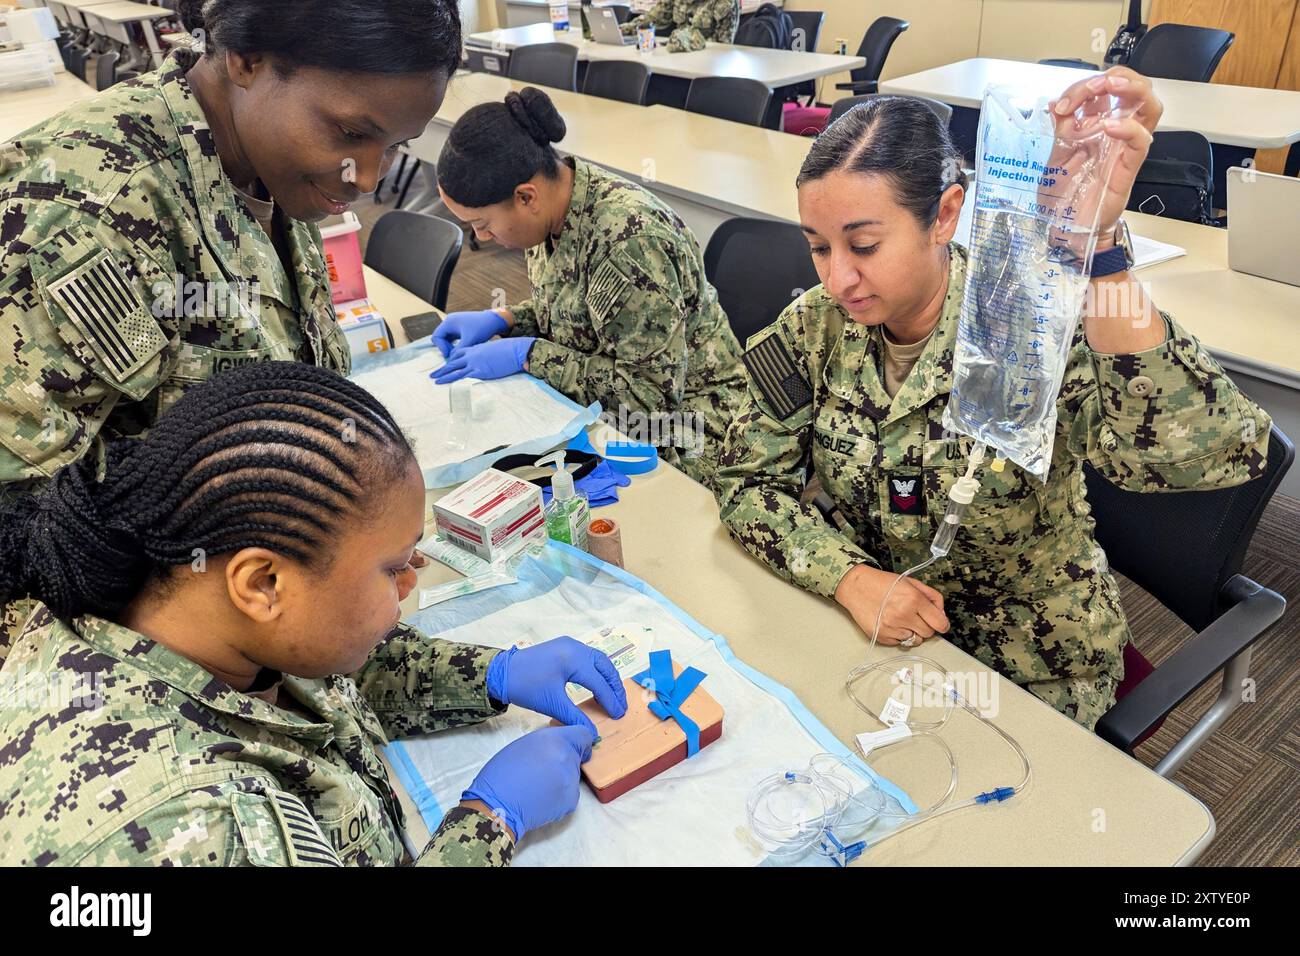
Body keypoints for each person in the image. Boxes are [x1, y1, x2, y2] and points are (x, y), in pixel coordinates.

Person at [716, 71, 1273, 730]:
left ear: (946, 214)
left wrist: (1096, 253)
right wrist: (848, 577)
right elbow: (744, 477)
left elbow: (1216, 457)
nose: (838, 277)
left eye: (864, 245)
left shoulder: (1027, 322)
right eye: (818, 247)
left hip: (1026, 659)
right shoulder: (817, 324)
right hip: (877, 627)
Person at [0, 361, 628, 866]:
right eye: (393, 568)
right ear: (263, 581)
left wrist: (492, 674)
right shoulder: (186, 829)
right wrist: (489, 824)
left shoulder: (184, 604)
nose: (412, 583)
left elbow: (328, 671)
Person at [0, 0, 463, 658]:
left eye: (393, 147)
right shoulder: (84, 216)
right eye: (349, 133)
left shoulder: (266, 170)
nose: (366, 177)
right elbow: (30, 568)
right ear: (247, 60)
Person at [433, 86, 747, 492]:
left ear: (526, 196)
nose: (485, 236)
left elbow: (647, 401)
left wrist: (528, 355)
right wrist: (507, 318)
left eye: (482, 224)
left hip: (693, 425)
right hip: (609, 409)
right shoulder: (554, 208)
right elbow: (577, 308)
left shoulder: (631, 245)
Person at [621, 0, 740, 52]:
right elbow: (655, 17)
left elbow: (723, 46)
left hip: (707, 67)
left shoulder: (726, 2)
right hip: (678, 59)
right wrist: (624, 29)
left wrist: (684, 43)